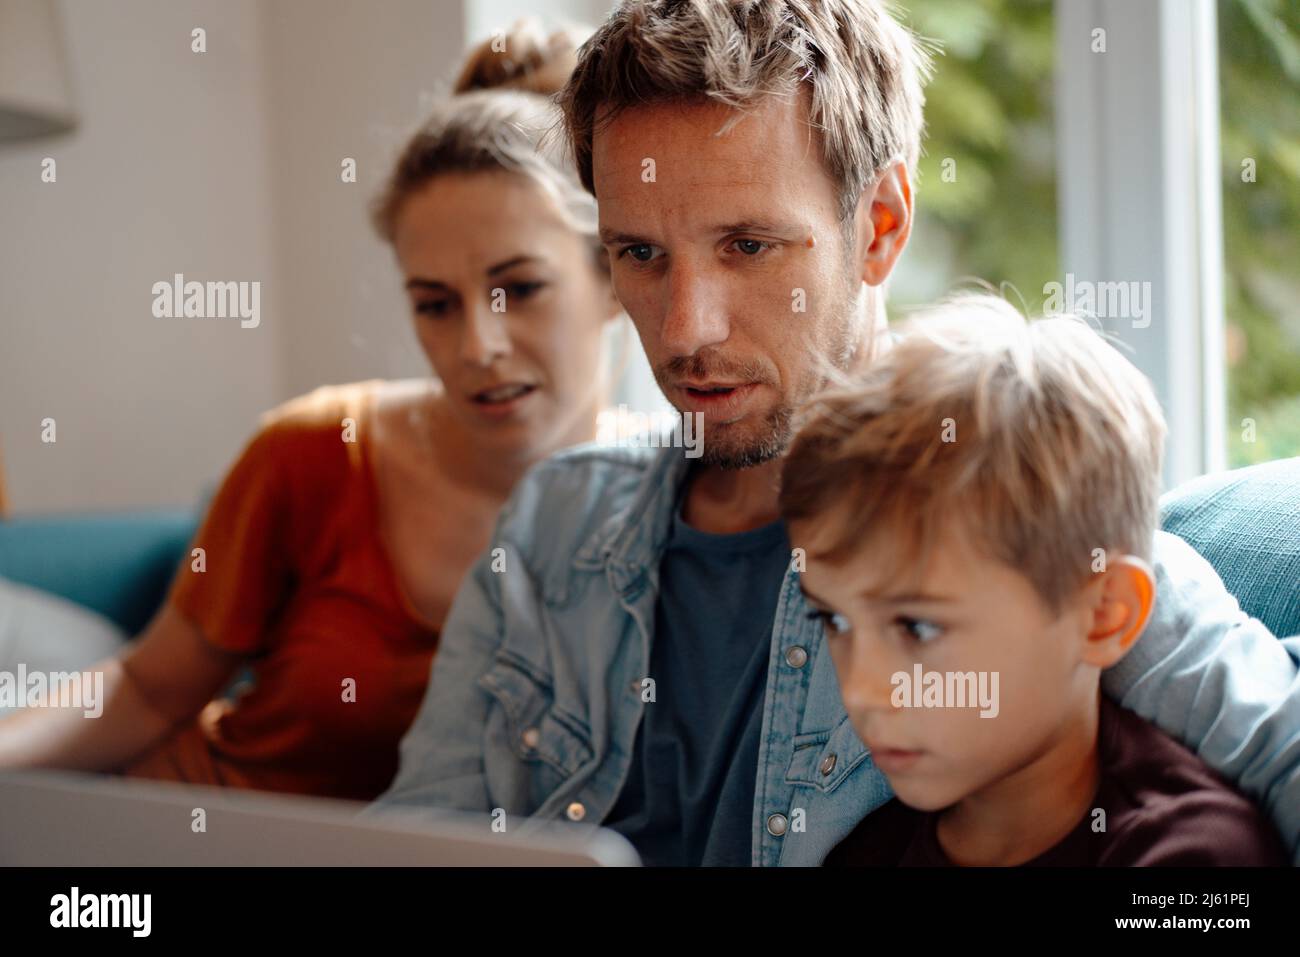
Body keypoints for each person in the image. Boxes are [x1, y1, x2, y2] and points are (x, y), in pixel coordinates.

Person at [373, 0, 1300, 865]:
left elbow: (1279, 745)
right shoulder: (552, 525)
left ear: (882, 226)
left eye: (749, 246)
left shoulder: (1015, 495)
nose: (686, 327)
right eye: (641, 254)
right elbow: (415, 834)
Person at [0, 21, 624, 802]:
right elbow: (147, 688)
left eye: (520, 289)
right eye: (434, 304)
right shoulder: (316, 449)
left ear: (616, 279)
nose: (478, 345)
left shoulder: (669, 501)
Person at [777, 294, 1286, 865]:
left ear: (1104, 614)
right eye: (835, 619)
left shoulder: (1193, 861)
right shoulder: (864, 856)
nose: (863, 692)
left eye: (917, 627)